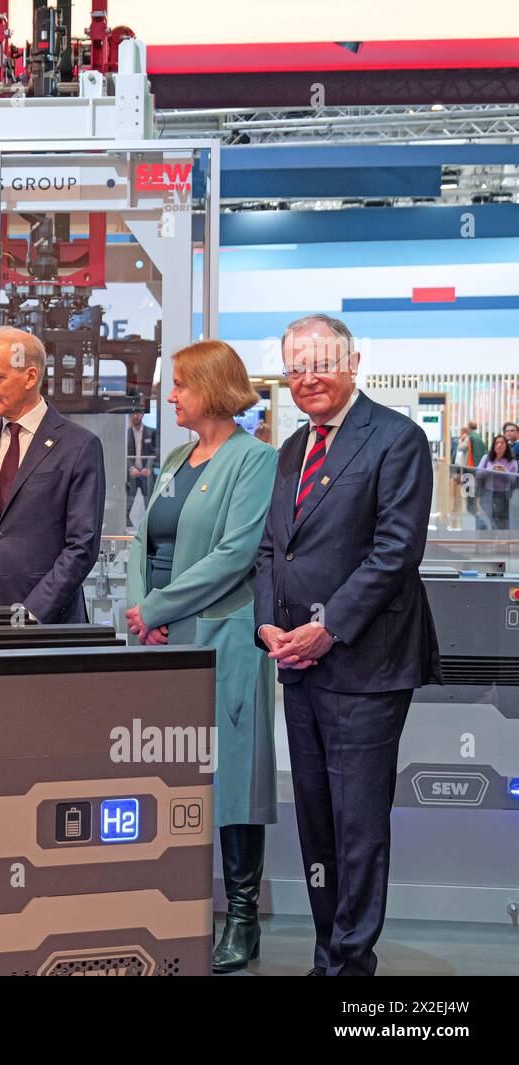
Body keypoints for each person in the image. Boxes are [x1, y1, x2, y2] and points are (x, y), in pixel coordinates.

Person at [254, 314, 440, 976]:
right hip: (298, 665)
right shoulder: (289, 451)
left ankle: (352, 967)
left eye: (320, 362)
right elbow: (272, 548)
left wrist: (328, 626)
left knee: (357, 828)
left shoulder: (397, 440)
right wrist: (267, 624)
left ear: (353, 362)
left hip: (364, 665)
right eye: (294, 367)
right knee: (317, 826)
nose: (307, 378)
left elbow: (396, 553)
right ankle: (328, 956)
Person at [123, 340, 278, 973]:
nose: (172, 395)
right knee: (165, 773)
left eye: (181, 384)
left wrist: (156, 610)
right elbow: (140, 539)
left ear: (212, 388)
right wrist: (142, 609)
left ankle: (241, 917)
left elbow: (237, 554)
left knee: (233, 778)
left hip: (223, 638)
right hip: (163, 639)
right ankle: (171, 904)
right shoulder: (178, 458)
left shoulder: (255, 460)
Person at [0, 326, 105, 622]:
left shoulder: (79, 446)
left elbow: (82, 546)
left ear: (30, 377)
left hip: (48, 625)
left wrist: (31, 613)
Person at [125, 410, 158, 529]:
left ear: (143, 415)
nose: (135, 416)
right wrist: (131, 467)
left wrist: (149, 468)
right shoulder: (126, 434)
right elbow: (123, 453)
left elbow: (156, 453)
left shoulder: (152, 432)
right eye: (132, 414)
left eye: (138, 413)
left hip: (146, 474)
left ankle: (151, 527)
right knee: (127, 503)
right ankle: (127, 527)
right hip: (132, 474)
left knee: (149, 502)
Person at [477, 434, 517, 531]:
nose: (499, 445)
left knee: (501, 520)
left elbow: (513, 480)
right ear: (493, 446)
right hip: (487, 493)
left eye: (502, 443)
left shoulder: (511, 461)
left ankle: (500, 542)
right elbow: (478, 474)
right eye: (497, 443)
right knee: (492, 519)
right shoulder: (486, 458)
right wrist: (491, 470)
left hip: (502, 494)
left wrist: (504, 472)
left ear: (506, 446)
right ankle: (493, 538)